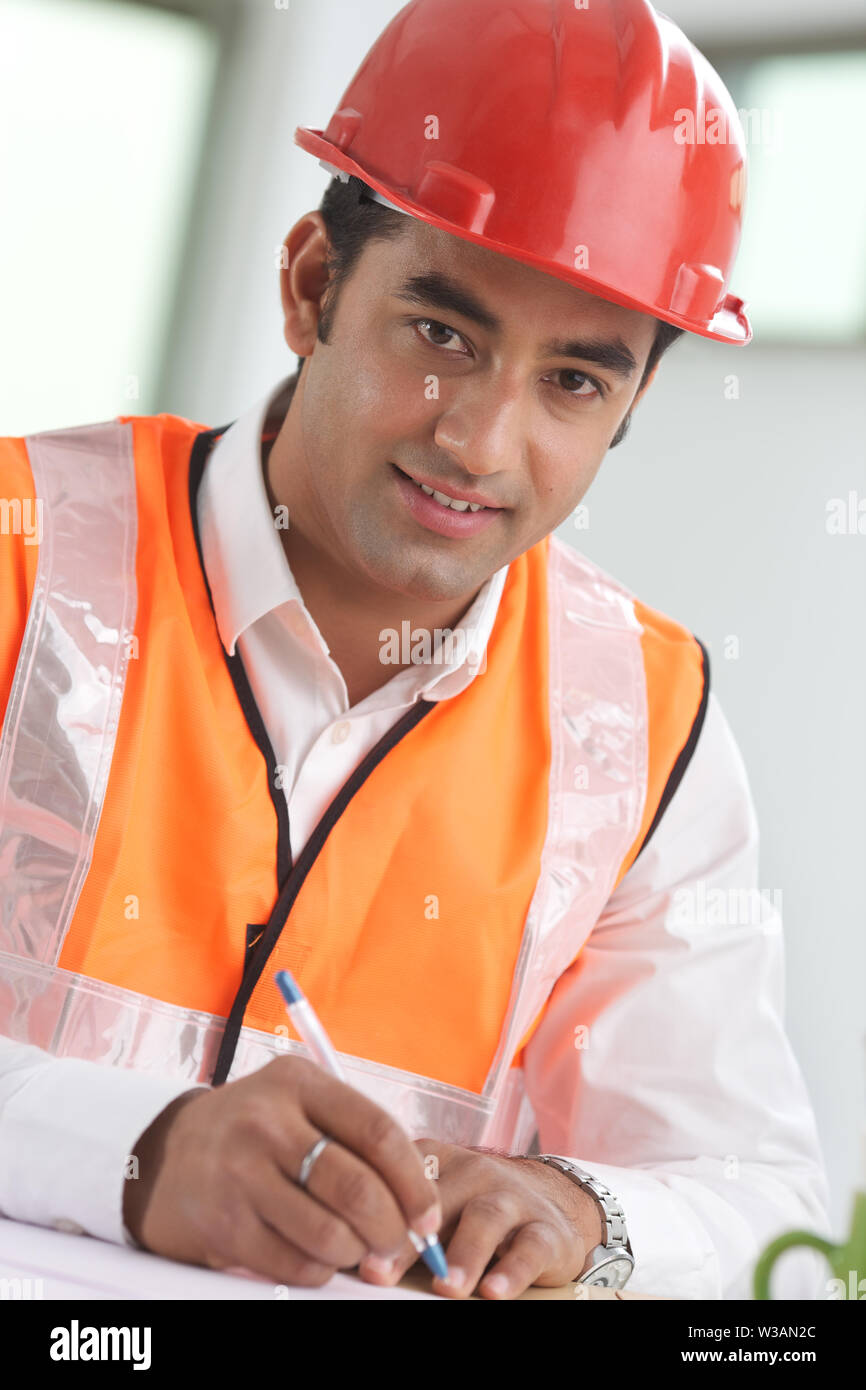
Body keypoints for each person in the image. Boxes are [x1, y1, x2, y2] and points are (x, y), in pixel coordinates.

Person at [0, 0, 830, 1300]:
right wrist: (133, 1149)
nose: (481, 443)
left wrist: (582, 1211)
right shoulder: (23, 557)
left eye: (572, 381)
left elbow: (760, 1202)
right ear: (312, 287)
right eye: (441, 335)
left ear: (629, 405)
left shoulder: (645, 721)